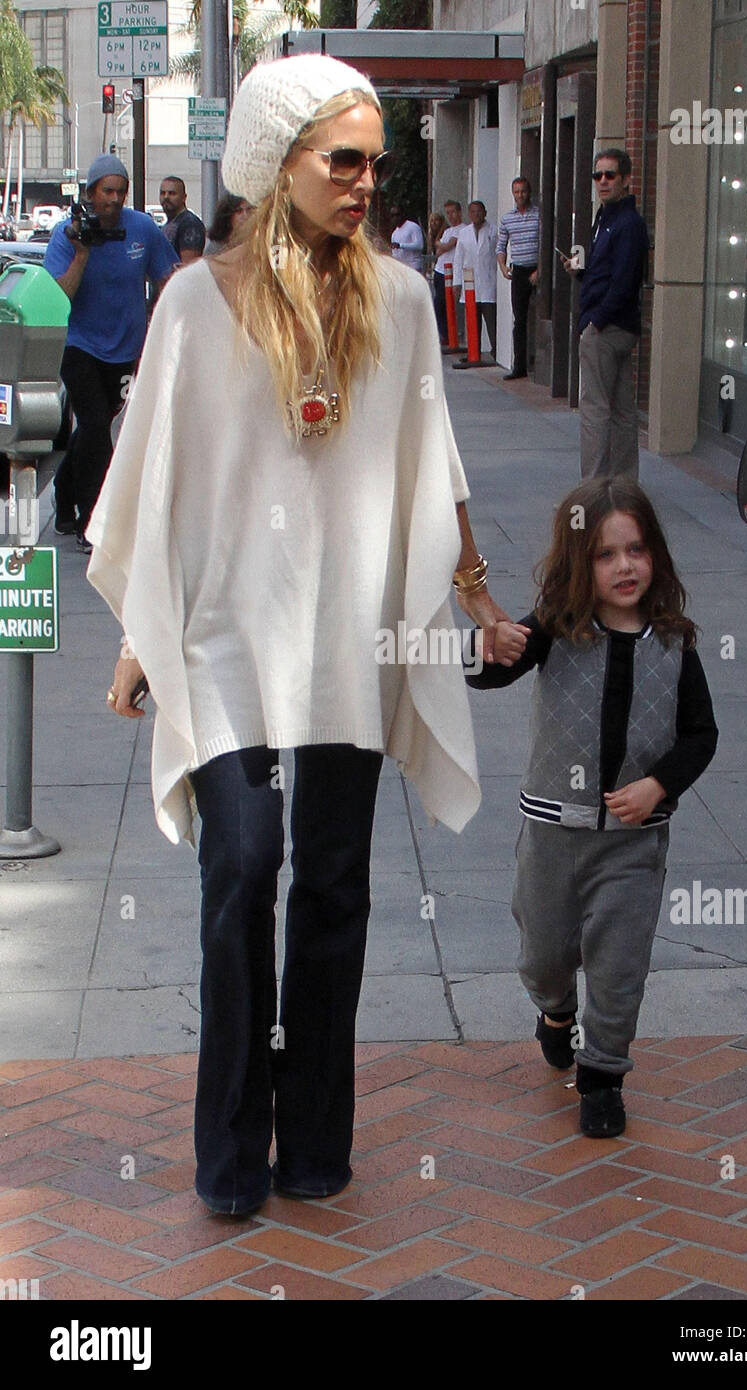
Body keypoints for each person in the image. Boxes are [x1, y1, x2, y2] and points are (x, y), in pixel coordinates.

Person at [86, 54, 509, 1217]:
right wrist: (137, 639)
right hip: (223, 646)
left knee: (332, 883)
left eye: (378, 159)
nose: (368, 180)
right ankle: (228, 1148)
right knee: (243, 869)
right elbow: (149, 480)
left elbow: (438, 469)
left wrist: (473, 595)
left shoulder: (405, 302)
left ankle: (314, 1137)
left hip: (345, 646)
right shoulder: (189, 302)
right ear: (280, 163)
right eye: (346, 159)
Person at [466, 478, 717, 1137]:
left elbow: (700, 734)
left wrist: (658, 786)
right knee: (543, 955)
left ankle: (602, 1076)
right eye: (606, 555)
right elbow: (494, 669)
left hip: (632, 847)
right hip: (553, 841)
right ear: (582, 564)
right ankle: (553, 1011)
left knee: (618, 964)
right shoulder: (555, 629)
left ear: (654, 555)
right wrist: (487, 646)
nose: (625, 566)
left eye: (635, 550)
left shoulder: (673, 643)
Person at [45, 154, 178, 552]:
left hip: (125, 349)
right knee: (98, 429)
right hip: (80, 346)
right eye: (107, 191)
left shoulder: (141, 228)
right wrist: (82, 253)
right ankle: (92, 523)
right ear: (90, 194)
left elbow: (167, 277)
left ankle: (63, 493)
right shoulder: (65, 236)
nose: (115, 199)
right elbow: (59, 298)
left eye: (121, 191)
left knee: (92, 430)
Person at [560, 149, 650, 480]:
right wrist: (580, 273)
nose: (602, 182)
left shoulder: (628, 223)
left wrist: (595, 323)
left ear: (626, 180)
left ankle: (594, 489)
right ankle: (625, 488)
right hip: (612, 324)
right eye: (597, 176)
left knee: (595, 411)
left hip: (609, 327)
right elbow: (607, 273)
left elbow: (625, 281)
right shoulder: (605, 219)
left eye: (610, 175)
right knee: (622, 411)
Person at [496, 177, 540, 380]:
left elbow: (547, 242)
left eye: (523, 191)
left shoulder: (538, 215)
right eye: (516, 192)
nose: (520, 195)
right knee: (519, 320)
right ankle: (519, 365)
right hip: (519, 270)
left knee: (542, 316)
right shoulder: (507, 219)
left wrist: (540, 270)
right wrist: (503, 267)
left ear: (528, 192)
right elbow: (501, 246)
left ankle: (539, 363)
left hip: (537, 269)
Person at [452, 200, 498, 360]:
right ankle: (473, 353)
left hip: (489, 282)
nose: (476, 214)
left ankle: (496, 352)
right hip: (470, 285)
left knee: (492, 322)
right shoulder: (464, 233)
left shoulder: (494, 231)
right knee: (472, 322)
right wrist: (456, 283)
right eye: (473, 212)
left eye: (479, 211)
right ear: (469, 214)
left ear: (485, 213)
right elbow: (458, 259)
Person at [432, 199, 464, 343]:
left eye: (453, 212)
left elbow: (447, 246)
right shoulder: (448, 231)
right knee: (439, 304)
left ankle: (449, 334)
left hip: (450, 272)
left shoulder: (462, 229)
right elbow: (438, 251)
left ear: (459, 212)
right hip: (439, 269)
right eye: (448, 213)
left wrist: (440, 243)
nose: (450, 216)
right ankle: (445, 334)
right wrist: (440, 243)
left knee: (444, 304)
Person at [159, 177, 207, 265]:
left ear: (184, 198)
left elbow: (189, 267)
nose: (166, 197)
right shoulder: (170, 223)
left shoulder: (190, 224)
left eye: (172, 193)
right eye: (163, 193)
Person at [389, 205, 424, 271]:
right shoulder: (394, 234)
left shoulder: (413, 227)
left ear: (403, 214)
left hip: (414, 268)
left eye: (397, 215)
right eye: (392, 216)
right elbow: (395, 254)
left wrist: (400, 245)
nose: (395, 218)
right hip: (401, 269)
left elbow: (420, 245)